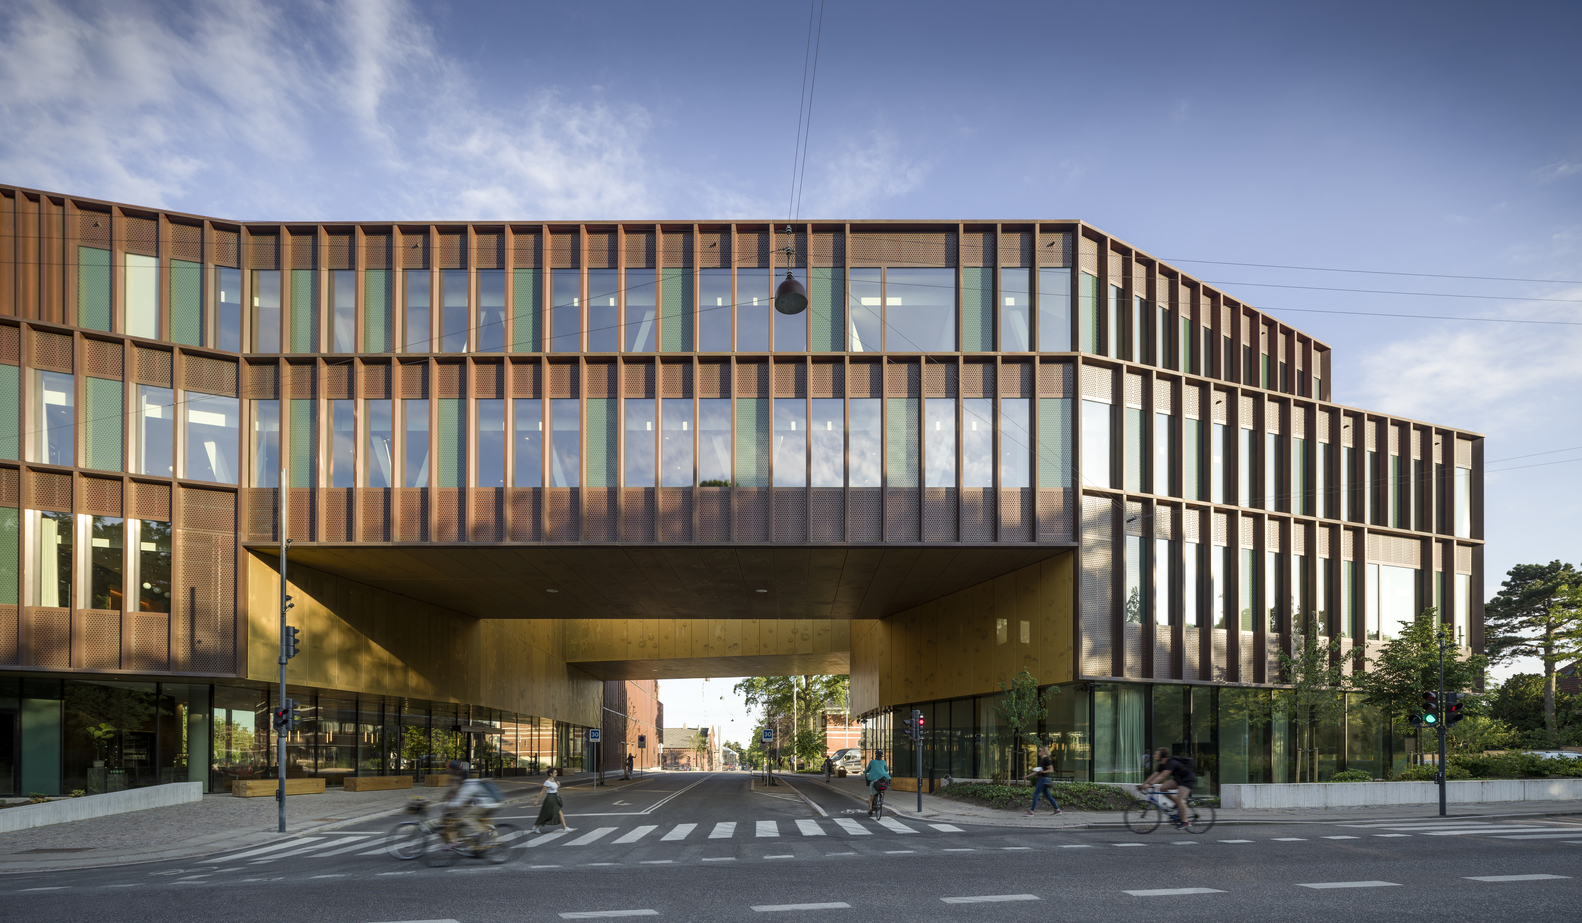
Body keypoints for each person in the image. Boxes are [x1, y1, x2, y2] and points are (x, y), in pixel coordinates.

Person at [1138, 748, 1196, 826]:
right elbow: (1154, 775)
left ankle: (1185, 822)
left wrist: (1149, 785)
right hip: (1179, 779)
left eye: (1156, 754)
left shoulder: (1171, 762)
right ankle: (1177, 804)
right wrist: (1144, 784)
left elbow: (1163, 776)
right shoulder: (1162, 764)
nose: (1154, 756)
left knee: (1180, 799)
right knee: (1162, 788)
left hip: (1187, 780)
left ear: (1162, 755)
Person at [532, 767, 574, 833]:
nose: (556, 774)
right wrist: (536, 800)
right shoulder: (547, 782)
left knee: (547, 814)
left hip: (555, 797)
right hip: (550, 799)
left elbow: (554, 789)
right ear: (550, 774)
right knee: (557, 813)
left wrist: (558, 785)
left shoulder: (554, 781)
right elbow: (542, 792)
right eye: (555, 773)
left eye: (556, 773)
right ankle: (565, 828)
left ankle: (535, 827)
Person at [1024, 746, 1062, 816]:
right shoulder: (1041, 760)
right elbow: (1038, 771)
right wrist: (1028, 776)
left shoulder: (1046, 759)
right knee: (1047, 795)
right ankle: (1057, 809)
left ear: (1044, 752)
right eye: (1038, 750)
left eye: (1040, 750)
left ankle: (1031, 811)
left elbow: (1051, 770)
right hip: (1042, 779)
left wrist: (1043, 772)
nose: (1038, 752)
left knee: (1036, 794)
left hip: (1043, 779)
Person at [864, 750, 891, 817]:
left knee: (871, 794)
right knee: (881, 790)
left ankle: (870, 808)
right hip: (882, 780)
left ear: (875, 755)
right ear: (881, 756)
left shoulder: (872, 762)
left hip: (874, 780)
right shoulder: (884, 762)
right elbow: (886, 770)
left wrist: (865, 772)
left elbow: (867, 769)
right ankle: (880, 799)